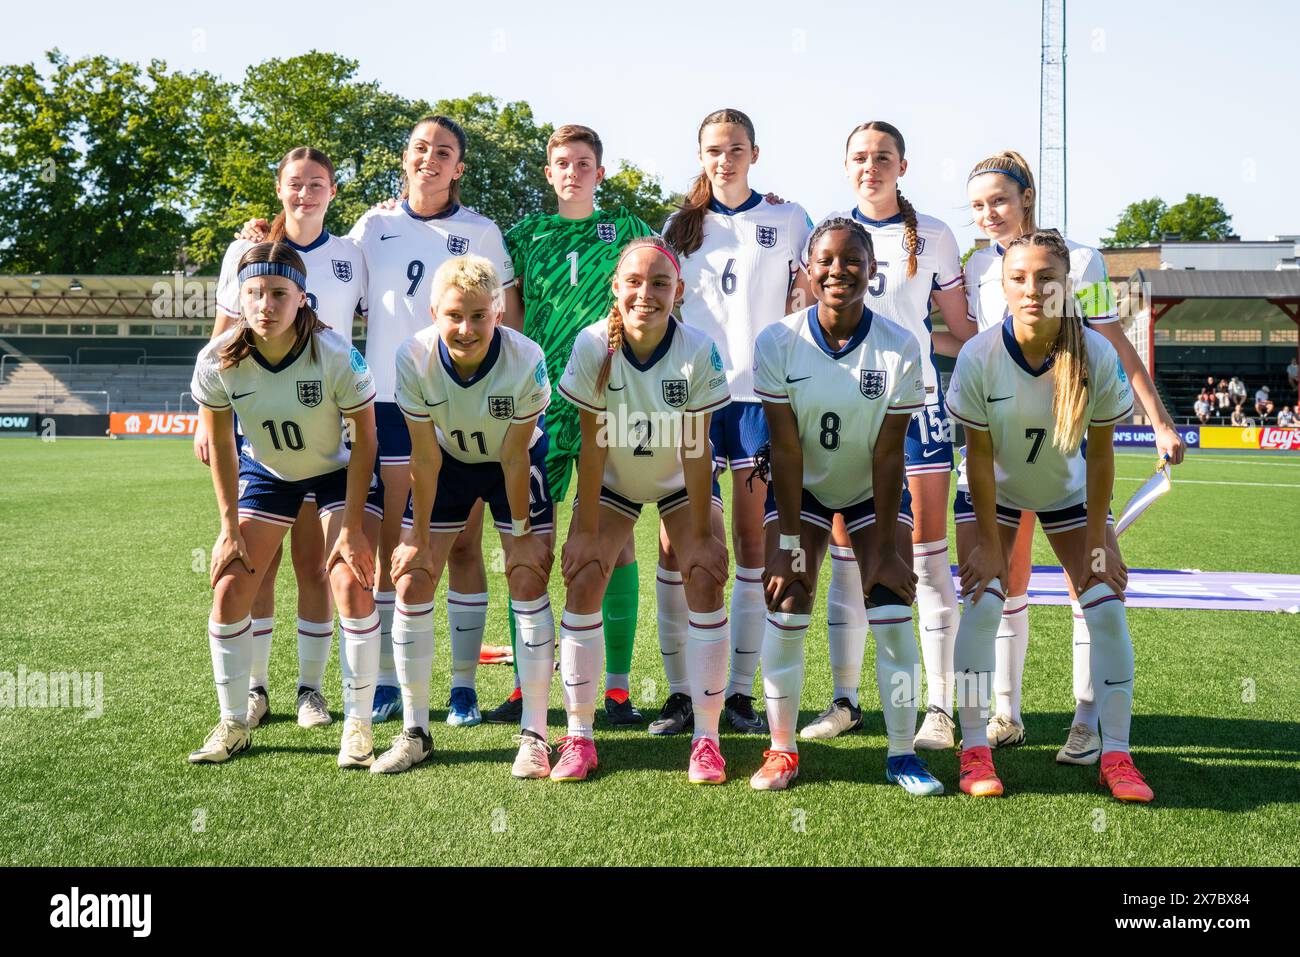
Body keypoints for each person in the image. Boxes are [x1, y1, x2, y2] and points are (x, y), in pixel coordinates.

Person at [238, 118, 518, 729]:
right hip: (385, 405)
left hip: (461, 400)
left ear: (458, 167)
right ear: (405, 158)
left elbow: (507, 318)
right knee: (392, 543)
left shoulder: (481, 231)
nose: (430, 159)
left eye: (444, 152)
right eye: (421, 148)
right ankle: (388, 681)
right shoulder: (373, 226)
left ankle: (464, 684)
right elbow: (310, 257)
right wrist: (266, 233)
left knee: (464, 543)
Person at [959, 150, 1184, 761]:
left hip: (1070, 441)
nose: (989, 214)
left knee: (1093, 574)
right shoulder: (983, 265)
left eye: (999, 200)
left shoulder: (1078, 260)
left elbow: (1113, 346)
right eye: (977, 206)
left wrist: (1159, 420)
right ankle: (1005, 713)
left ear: (1026, 197)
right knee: (1006, 580)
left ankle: (1088, 720)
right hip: (1007, 443)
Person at [946, 230, 1152, 803]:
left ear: (1067, 287)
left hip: (1070, 494)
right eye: (1019, 278)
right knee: (984, 599)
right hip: (996, 493)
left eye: (1046, 279)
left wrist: (1098, 540)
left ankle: (1117, 754)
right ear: (1003, 286)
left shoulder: (1098, 354)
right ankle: (973, 749)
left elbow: (1103, 454)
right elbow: (981, 460)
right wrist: (989, 542)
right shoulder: (979, 355)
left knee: (1106, 608)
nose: (1032, 289)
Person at [750, 217, 940, 794]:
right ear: (808, 270)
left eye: (853, 260)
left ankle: (904, 753)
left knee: (891, 608)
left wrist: (884, 545)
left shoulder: (899, 346)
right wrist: (787, 546)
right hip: (801, 488)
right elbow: (784, 448)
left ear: (872, 270)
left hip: (869, 488)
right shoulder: (778, 341)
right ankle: (781, 749)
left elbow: (889, 456)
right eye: (826, 261)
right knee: (788, 600)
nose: (839, 270)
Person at [797, 121, 973, 745]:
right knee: (847, 561)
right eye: (859, 158)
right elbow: (805, 321)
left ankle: (939, 707)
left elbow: (961, 332)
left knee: (923, 559)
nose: (870, 166)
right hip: (844, 414)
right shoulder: (827, 233)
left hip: (917, 408)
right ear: (846, 166)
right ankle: (845, 701)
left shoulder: (937, 236)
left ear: (904, 165)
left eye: (883, 157)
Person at [197, 147, 371, 731]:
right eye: (295, 184)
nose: (305, 193)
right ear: (279, 189)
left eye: (316, 183)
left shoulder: (353, 252)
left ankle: (310, 691)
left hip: (333, 423)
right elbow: (225, 332)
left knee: (316, 565)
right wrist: (206, 417)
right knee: (258, 565)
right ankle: (255, 691)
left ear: (333, 191)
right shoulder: (245, 251)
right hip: (267, 430)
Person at [492, 124, 658, 728]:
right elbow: (508, 320)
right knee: (528, 541)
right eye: (562, 162)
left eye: (584, 163)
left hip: (608, 399)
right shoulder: (523, 236)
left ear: (600, 172)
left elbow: (668, 283)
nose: (573, 172)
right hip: (539, 402)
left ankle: (615, 690)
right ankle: (524, 683)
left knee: (610, 545)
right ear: (548, 172)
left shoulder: (631, 231)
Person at [657, 108, 814, 737]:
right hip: (690, 398)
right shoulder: (679, 225)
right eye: (714, 150)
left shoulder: (788, 218)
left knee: (752, 548)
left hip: (756, 399)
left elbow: (804, 299)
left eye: (736, 149)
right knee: (679, 546)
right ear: (700, 155)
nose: (725, 159)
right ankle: (679, 695)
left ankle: (742, 695)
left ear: (756, 153)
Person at [555, 238, 731, 783]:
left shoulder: (697, 348)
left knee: (702, 569)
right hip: (614, 479)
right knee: (584, 573)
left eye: (660, 283)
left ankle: (707, 737)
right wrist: (584, 531)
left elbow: (697, 447)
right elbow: (591, 445)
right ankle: (578, 736)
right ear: (615, 288)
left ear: (678, 292)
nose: (646, 293)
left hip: (681, 476)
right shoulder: (592, 346)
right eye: (634, 281)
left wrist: (701, 532)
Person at [377, 255, 557, 777]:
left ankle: (536, 733)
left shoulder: (526, 358)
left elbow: (515, 456)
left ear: (498, 313)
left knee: (526, 573)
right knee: (412, 577)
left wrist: (521, 533)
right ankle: (415, 731)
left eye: (479, 315)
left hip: (511, 463)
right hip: (447, 459)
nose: (466, 327)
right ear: (434, 311)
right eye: (455, 315)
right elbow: (424, 455)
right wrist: (414, 535)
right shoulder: (412, 356)